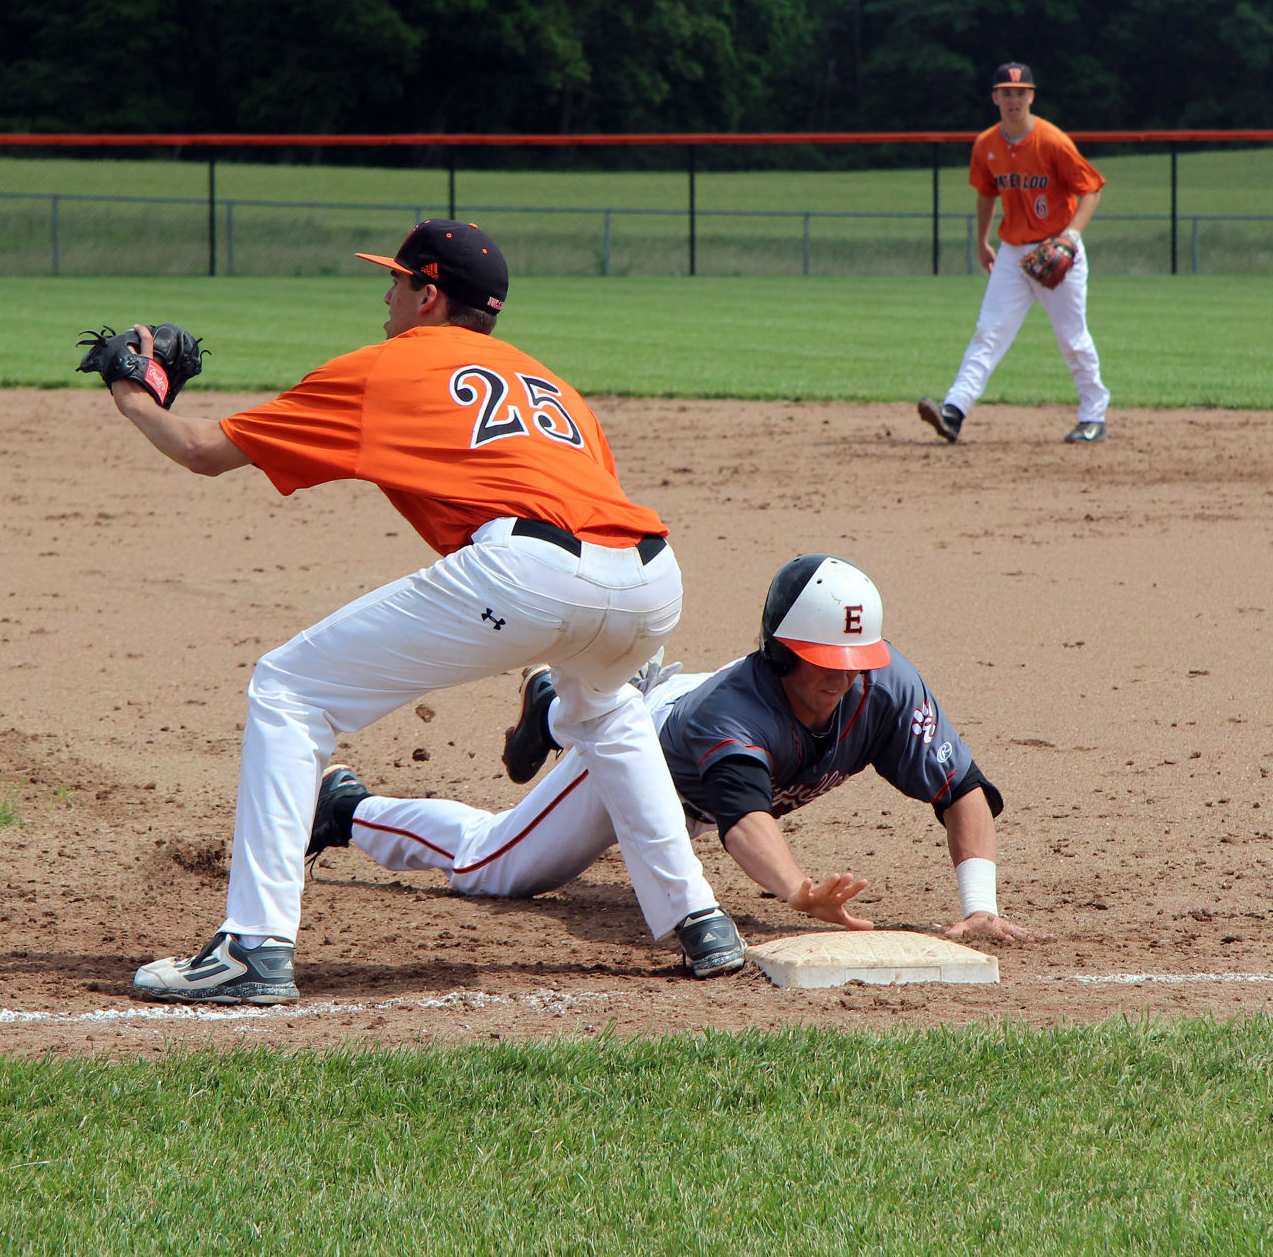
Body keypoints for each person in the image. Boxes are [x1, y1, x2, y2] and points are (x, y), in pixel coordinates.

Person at [115, 218, 745, 1004]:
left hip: (529, 571)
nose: (385, 295)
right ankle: (699, 919)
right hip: (651, 581)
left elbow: (201, 448)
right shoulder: (550, 383)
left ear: (429, 295)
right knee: (608, 706)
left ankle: (253, 945)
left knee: (289, 687)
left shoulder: (389, 365)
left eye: (396, 279)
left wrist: (134, 393)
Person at [306, 555, 1048, 947]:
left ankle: (559, 704)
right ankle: (348, 807)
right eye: (823, 661)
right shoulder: (734, 717)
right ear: (782, 652)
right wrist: (798, 891)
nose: (841, 678)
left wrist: (980, 907)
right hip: (649, 752)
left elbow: (961, 787)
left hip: (690, 719)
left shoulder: (884, 686)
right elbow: (746, 824)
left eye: (854, 662)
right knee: (492, 868)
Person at [919, 62, 1111, 445]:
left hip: (1057, 249)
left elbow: (1092, 189)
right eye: (1006, 92)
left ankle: (1094, 416)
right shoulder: (986, 145)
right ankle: (954, 412)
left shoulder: (1052, 141)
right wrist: (982, 241)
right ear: (995, 97)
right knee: (988, 332)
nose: (1014, 99)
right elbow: (986, 192)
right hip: (1011, 253)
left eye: (1021, 92)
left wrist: (1071, 237)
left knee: (1071, 338)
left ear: (1031, 96)